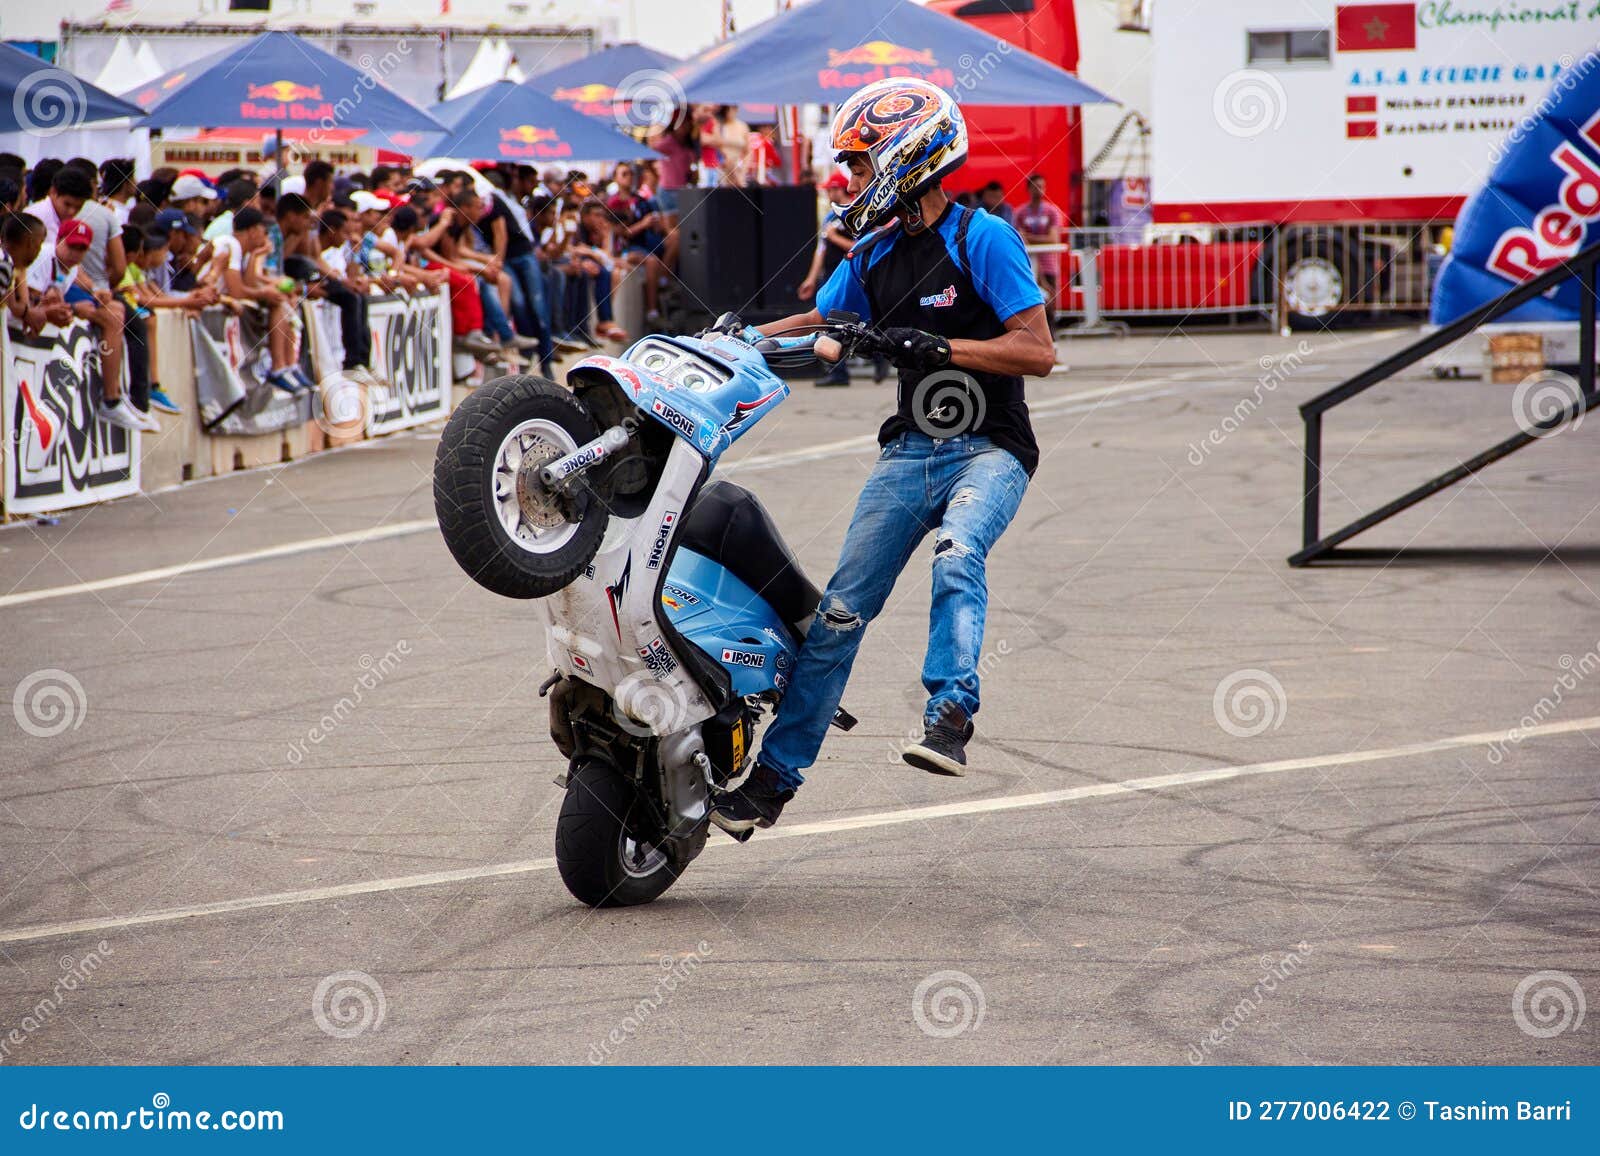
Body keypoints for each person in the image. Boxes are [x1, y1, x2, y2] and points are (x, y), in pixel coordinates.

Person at [711, 78, 1055, 837]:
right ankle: (770, 782)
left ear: (909, 156)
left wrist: (943, 347)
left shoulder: (982, 238)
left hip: (990, 449)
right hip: (909, 452)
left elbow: (1038, 351)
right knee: (838, 615)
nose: (849, 180)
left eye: (860, 164)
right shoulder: (873, 252)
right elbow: (822, 320)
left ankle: (950, 717)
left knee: (958, 552)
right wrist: (739, 338)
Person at [27, 218, 154, 431]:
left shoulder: (73, 268)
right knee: (111, 316)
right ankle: (111, 399)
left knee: (115, 310)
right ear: (59, 240)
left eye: (81, 249)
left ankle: (113, 398)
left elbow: (77, 289)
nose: (75, 253)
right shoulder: (44, 257)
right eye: (72, 246)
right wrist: (75, 309)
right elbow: (30, 303)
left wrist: (97, 293)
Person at [798, 171, 886, 388]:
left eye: (832, 189)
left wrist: (835, 237)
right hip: (830, 276)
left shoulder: (857, 215)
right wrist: (811, 279)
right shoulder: (829, 217)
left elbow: (862, 248)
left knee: (861, 322)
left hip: (853, 276)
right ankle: (838, 371)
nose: (829, 194)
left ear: (841, 189)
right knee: (830, 323)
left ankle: (879, 357)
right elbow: (820, 251)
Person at [213, 206, 310, 395]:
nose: (266, 236)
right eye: (263, 231)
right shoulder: (231, 244)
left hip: (228, 300)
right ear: (253, 230)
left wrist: (257, 255)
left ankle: (289, 366)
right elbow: (238, 292)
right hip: (215, 303)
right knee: (275, 301)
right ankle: (278, 367)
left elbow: (250, 282)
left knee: (279, 300)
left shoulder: (246, 251)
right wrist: (264, 293)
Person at [1015, 173, 1064, 338]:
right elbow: (1019, 238)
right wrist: (1039, 239)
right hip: (1028, 265)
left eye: (1042, 186)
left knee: (1050, 303)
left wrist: (1030, 238)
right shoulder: (1020, 212)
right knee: (1032, 304)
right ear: (1028, 189)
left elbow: (1053, 238)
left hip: (1048, 265)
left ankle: (1051, 339)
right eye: (1035, 186)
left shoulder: (1051, 211)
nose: (1039, 190)